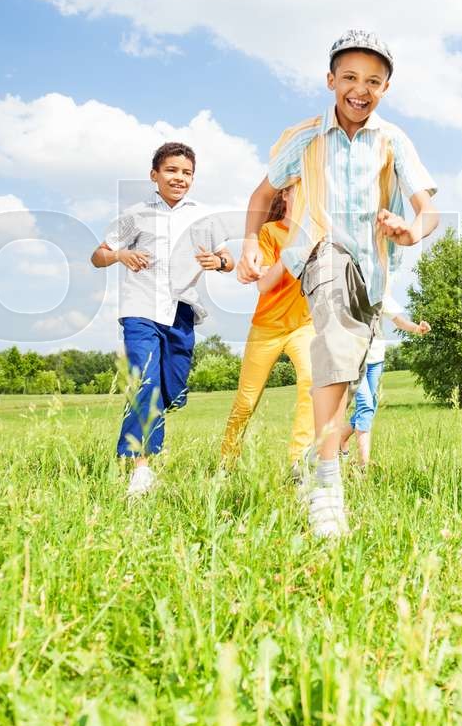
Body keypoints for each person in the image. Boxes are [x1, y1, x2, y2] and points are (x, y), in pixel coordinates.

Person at [237, 30, 438, 538]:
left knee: (345, 367)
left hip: (371, 270)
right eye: (349, 77)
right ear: (331, 80)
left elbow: (427, 210)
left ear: (386, 88)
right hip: (318, 253)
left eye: (373, 80)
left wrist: (410, 230)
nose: (360, 89)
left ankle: (315, 463)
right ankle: (328, 484)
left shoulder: (393, 140)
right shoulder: (303, 136)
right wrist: (247, 245)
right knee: (331, 338)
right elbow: (263, 195)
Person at [91, 141, 232, 497]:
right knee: (144, 385)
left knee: (170, 388)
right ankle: (141, 469)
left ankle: (154, 424)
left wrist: (220, 263)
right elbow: (98, 256)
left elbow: (227, 258)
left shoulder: (203, 216)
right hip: (140, 309)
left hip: (182, 311)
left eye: (186, 173)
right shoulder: (136, 214)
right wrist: (121, 254)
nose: (179, 178)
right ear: (155, 175)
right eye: (171, 170)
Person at [218, 184, 315, 469]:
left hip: (303, 326)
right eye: (300, 190)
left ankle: (299, 462)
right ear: (284, 195)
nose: (306, 197)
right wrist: (292, 253)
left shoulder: (317, 234)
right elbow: (264, 284)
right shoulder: (269, 232)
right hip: (267, 328)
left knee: (312, 383)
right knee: (246, 402)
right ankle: (226, 464)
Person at [339, 296, 430, 466]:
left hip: (376, 361)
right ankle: (363, 466)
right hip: (355, 359)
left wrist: (418, 329)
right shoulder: (349, 293)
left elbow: (399, 321)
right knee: (366, 406)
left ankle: (341, 438)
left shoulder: (378, 294)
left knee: (369, 408)